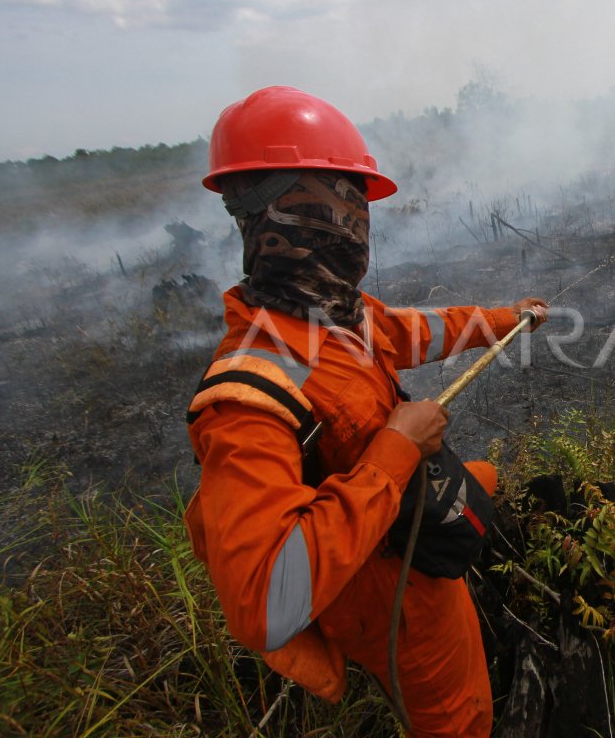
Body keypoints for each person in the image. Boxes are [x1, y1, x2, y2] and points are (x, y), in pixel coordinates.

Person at [182, 85, 548, 737]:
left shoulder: (334, 317)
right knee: (458, 717)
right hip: (392, 603)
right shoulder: (254, 389)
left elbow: (419, 330)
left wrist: (506, 320)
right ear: (275, 213)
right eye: (341, 202)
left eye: (358, 205)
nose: (354, 224)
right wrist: (397, 452)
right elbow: (266, 601)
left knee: (486, 488)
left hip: (409, 541)